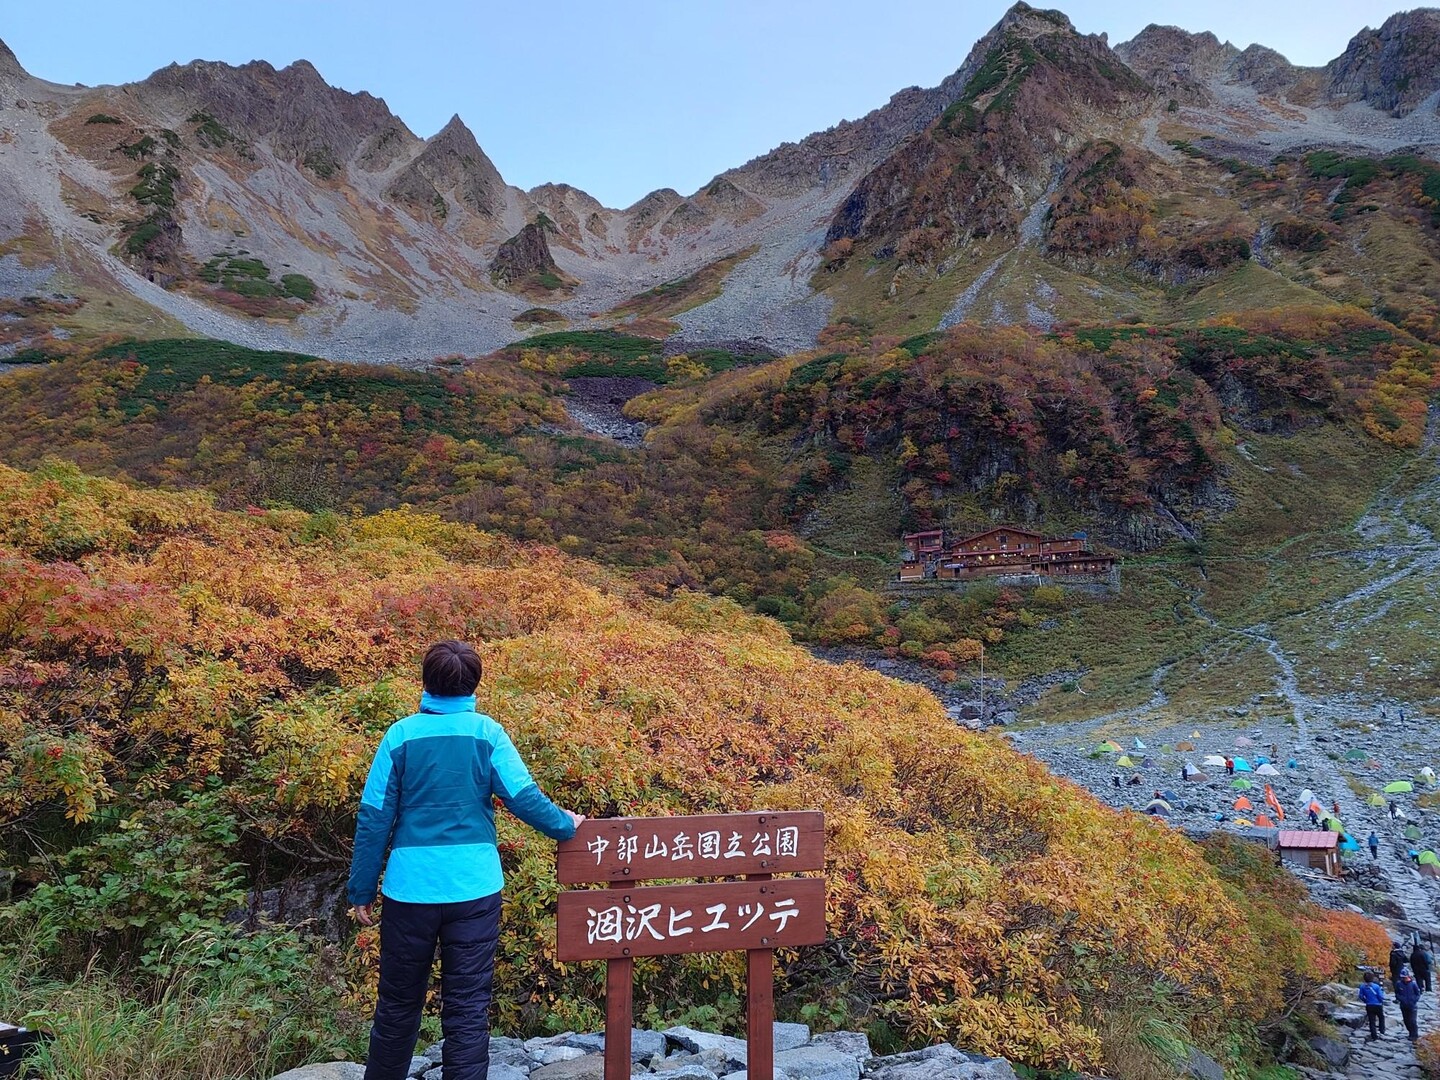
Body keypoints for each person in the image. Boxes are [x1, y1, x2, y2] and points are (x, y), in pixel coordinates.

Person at [348, 641, 585, 1080]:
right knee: (468, 1006)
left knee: (397, 1004)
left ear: (425, 681)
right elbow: (523, 797)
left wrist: (361, 888)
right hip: (475, 889)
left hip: (410, 890)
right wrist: (565, 825)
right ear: (474, 684)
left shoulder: (399, 736)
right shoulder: (487, 734)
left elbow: (374, 815)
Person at [1395, 966, 1421, 1042]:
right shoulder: (1399, 984)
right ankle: (1410, 1033)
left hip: (1412, 1006)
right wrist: (1401, 999)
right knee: (1406, 1021)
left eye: (1405, 977)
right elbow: (1397, 993)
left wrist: (1414, 1000)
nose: (1404, 978)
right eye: (1402, 977)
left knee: (1413, 1021)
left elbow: (1418, 993)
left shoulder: (1413, 984)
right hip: (1403, 1006)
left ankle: (1414, 1035)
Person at [1358, 972, 1387, 1040]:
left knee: (1372, 1021)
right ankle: (1382, 1030)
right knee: (1381, 1017)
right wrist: (1381, 1000)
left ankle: (1374, 1035)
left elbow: (1361, 996)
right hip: (1378, 1005)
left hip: (1369, 1005)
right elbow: (1380, 996)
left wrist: (1365, 1000)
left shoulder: (1362, 986)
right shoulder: (1376, 986)